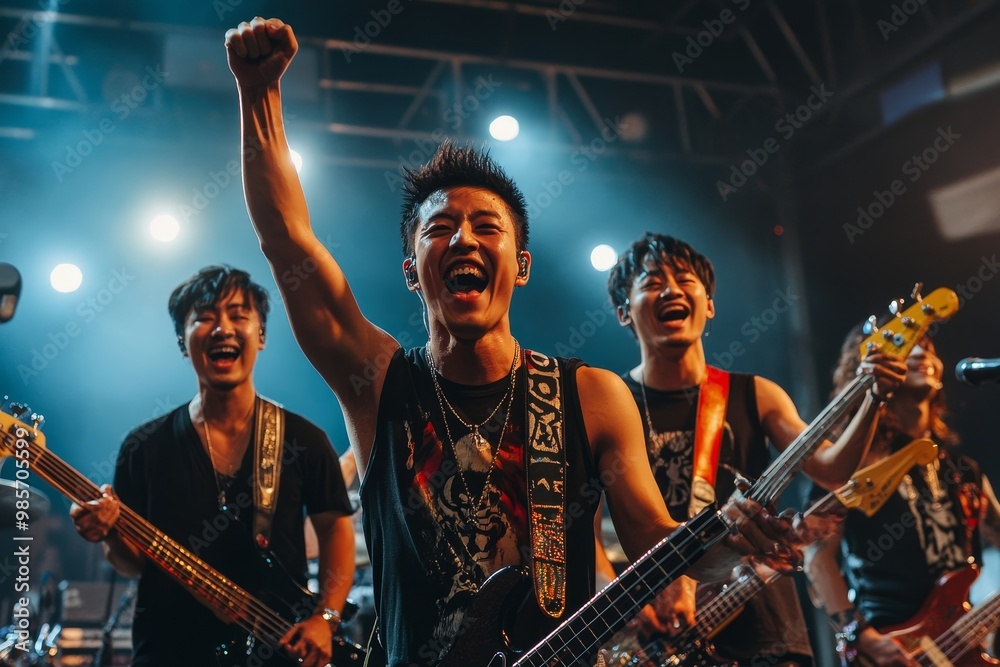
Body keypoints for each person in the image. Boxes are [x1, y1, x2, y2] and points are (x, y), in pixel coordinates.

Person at [224, 17, 800, 667]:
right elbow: (287, 240)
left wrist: (728, 540)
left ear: (521, 265)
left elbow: (654, 543)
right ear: (412, 269)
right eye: (440, 227)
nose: (465, 240)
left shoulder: (589, 395)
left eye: (486, 227)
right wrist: (259, 96)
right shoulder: (378, 378)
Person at [603, 233, 907, 666]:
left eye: (685, 279)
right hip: (651, 632)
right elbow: (589, 526)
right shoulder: (610, 403)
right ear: (623, 312)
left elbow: (831, 470)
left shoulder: (756, 394)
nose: (671, 289)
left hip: (762, 624)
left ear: (708, 303)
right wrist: (615, 601)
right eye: (652, 281)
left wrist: (873, 396)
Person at [69, 266, 356, 667]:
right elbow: (131, 563)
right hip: (168, 652)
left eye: (239, 315)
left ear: (261, 335)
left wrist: (326, 617)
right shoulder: (142, 447)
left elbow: (336, 529)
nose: (223, 328)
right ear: (183, 343)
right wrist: (108, 534)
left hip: (277, 651)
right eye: (204, 317)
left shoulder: (303, 440)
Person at [803, 329, 1000, 667]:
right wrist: (859, 636)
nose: (922, 355)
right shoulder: (851, 466)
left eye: (928, 348)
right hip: (889, 643)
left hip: (959, 644)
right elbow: (818, 558)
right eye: (909, 347)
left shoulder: (963, 472)